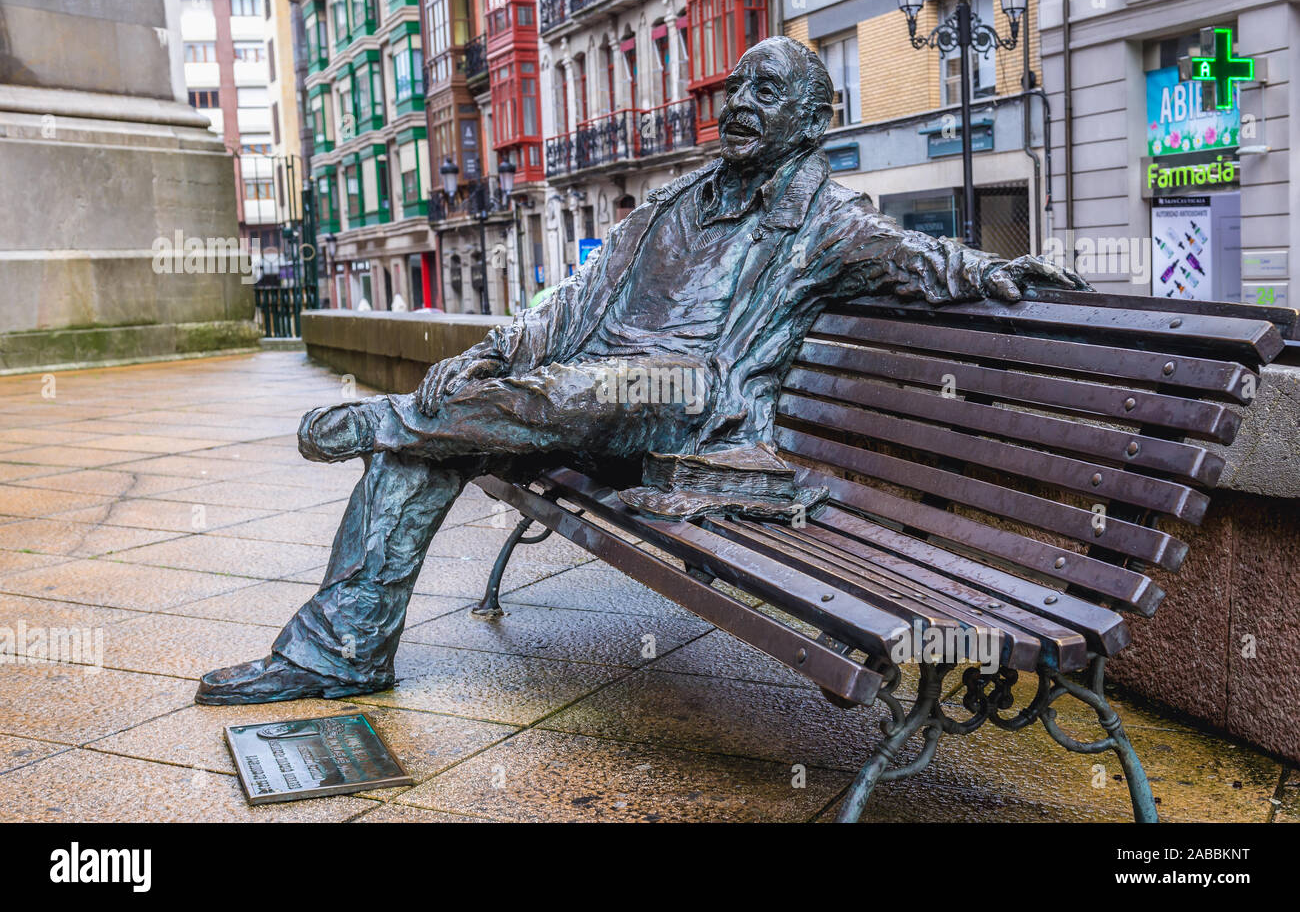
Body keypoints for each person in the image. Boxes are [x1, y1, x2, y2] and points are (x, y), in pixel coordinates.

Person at [197, 36, 1088, 704]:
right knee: (437, 440)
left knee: (575, 391)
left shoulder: (827, 220)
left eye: (765, 92)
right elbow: (568, 304)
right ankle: (336, 652)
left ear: (812, 121)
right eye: (735, 85)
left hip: (692, 411)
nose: (737, 101)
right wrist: (487, 351)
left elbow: (919, 259)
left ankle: (386, 419)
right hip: (593, 402)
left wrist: (1000, 270)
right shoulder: (672, 202)